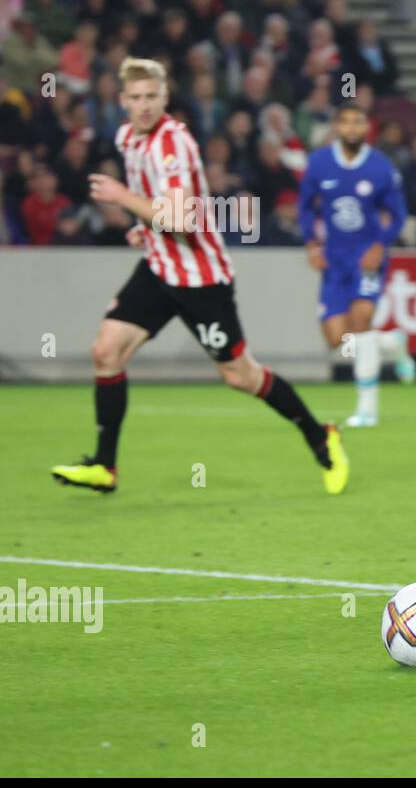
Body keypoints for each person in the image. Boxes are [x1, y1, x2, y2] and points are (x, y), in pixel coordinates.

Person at [51, 57, 348, 495]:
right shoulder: (127, 137)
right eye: (136, 98)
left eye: (152, 96)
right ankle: (104, 467)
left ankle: (321, 436)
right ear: (122, 101)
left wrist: (123, 200)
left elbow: (180, 221)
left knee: (240, 377)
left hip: (199, 279)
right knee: (106, 351)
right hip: (158, 268)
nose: (145, 105)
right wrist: (141, 226)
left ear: (166, 97)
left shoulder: (174, 145)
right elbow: (156, 212)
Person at [298, 102, 416, 428]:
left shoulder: (380, 168)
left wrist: (380, 245)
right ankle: (393, 344)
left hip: (367, 258)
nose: (352, 128)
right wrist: (311, 243)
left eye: (358, 122)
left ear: (367, 128)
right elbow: (306, 207)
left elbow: (399, 215)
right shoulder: (319, 163)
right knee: (338, 338)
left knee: (360, 323)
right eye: (346, 122)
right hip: (334, 260)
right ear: (337, 126)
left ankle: (367, 409)